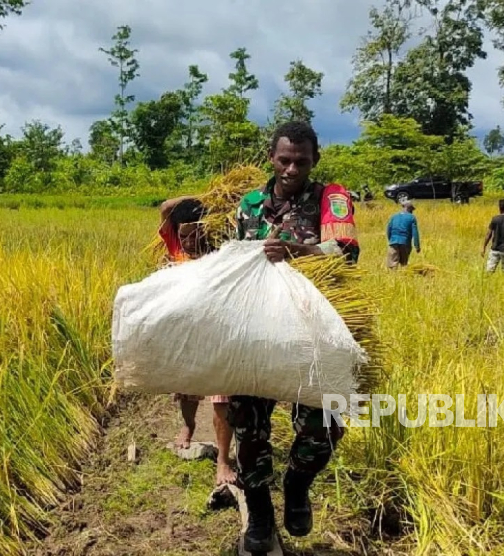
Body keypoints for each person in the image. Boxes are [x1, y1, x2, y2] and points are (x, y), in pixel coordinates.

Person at [231, 120, 360, 552]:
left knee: (321, 430)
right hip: (257, 332)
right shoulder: (250, 204)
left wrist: (298, 252)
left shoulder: (331, 199)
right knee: (249, 429)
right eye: (284, 160)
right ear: (271, 157)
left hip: (312, 332)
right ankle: (259, 512)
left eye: (300, 162)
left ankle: (297, 485)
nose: (291, 169)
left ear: (314, 160)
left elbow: (346, 253)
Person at [158, 196, 237, 487]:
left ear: (207, 231)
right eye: (185, 236)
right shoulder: (176, 251)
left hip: (218, 335)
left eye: (196, 235)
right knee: (187, 392)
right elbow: (166, 208)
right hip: (188, 336)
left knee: (222, 398)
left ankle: (223, 460)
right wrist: (210, 196)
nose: (190, 242)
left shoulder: (219, 255)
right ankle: (189, 426)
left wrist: (214, 209)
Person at [386, 199, 421, 268]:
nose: (412, 211)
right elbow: (415, 233)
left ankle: (393, 274)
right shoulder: (411, 218)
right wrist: (417, 246)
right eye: (411, 209)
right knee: (404, 264)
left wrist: (391, 240)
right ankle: (403, 274)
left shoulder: (394, 217)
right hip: (405, 243)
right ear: (408, 208)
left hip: (393, 242)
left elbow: (388, 230)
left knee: (392, 264)